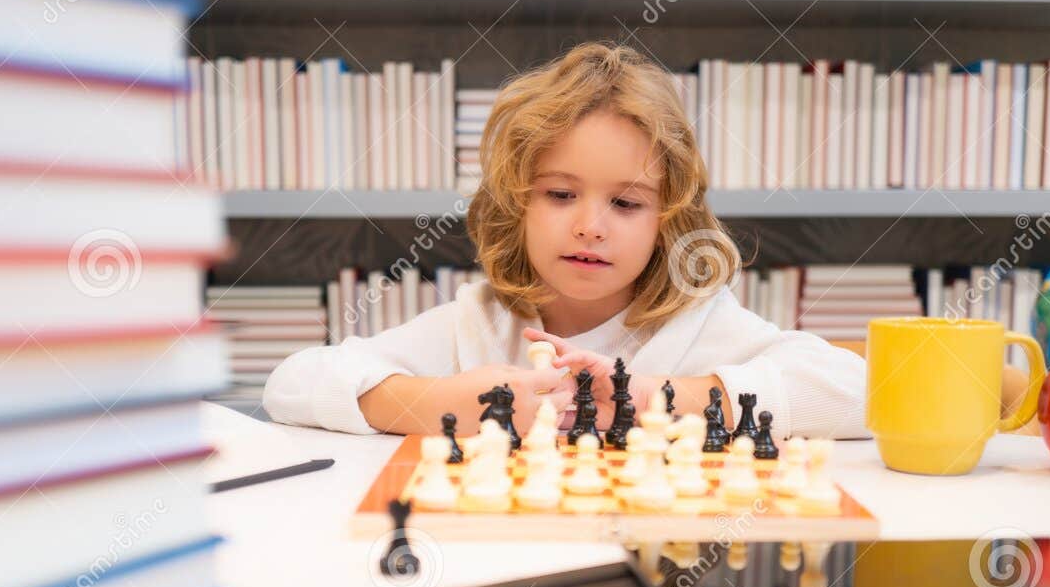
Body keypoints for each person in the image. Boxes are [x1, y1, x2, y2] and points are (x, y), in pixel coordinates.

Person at [263, 42, 867, 440]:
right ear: (516, 205)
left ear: (668, 221)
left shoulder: (698, 326)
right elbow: (291, 383)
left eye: (626, 203)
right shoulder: (480, 324)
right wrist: (441, 403)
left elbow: (863, 392)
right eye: (559, 194)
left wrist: (658, 398)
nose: (590, 226)